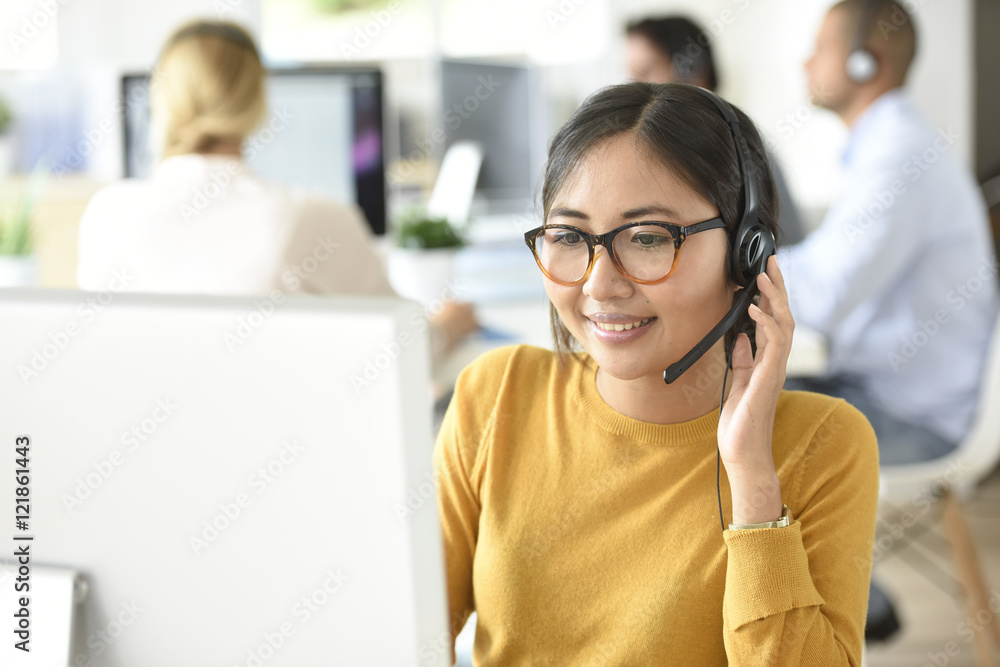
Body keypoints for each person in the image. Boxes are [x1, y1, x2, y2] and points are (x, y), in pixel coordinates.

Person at [434, 82, 878, 664]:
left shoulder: (825, 444)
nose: (598, 285)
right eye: (569, 236)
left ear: (748, 252)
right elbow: (402, 625)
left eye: (647, 238)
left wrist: (752, 479)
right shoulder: (495, 393)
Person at [780, 0, 1000, 640]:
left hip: (920, 420)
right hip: (892, 392)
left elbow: (821, 295)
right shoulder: (885, 144)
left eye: (820, 46)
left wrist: (722, 269)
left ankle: (836, 608)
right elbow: (822, 268)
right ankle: (839, 595)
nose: (806, 61)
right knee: (733, 399)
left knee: (731, 417)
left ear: (862, 58)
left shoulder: (899, 153)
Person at [76, 20, 476, 357]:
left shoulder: (106, 214)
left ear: (160, 99)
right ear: (257, 101)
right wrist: (446, 327)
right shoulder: (307, 217)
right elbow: (405, 346)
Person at [625, 15, 808, 246]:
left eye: (646, 71)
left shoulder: (745, 151)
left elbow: (789, 251)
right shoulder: (636, 152)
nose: (632, 88)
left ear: (692, 70)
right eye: (630, 74)